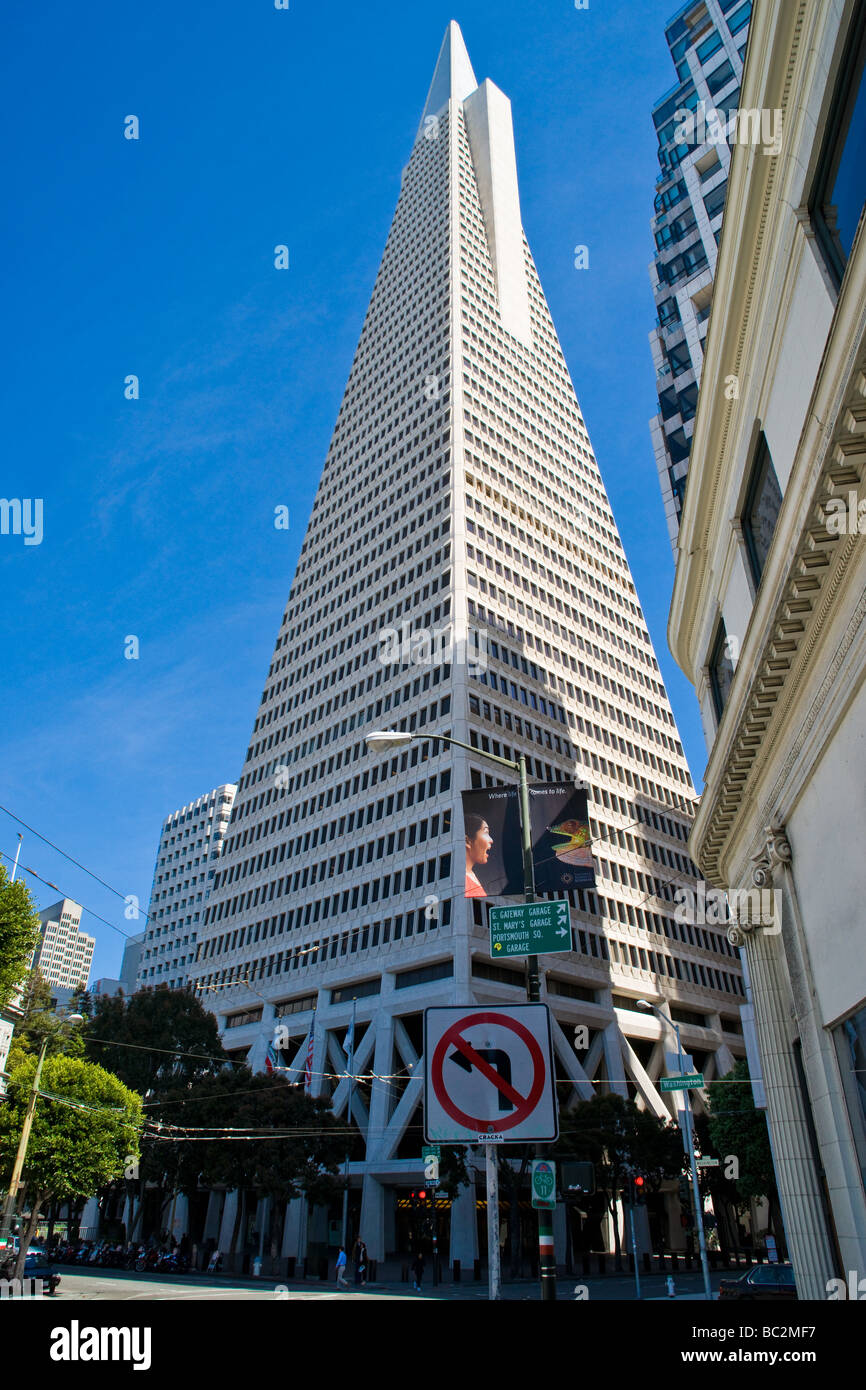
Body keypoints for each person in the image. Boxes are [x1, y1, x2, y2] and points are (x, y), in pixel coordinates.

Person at [465, 814, 493, 897]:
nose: (491, 840)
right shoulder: (462, 881)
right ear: (467, 841)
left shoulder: (470, 875)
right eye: (486, 833)